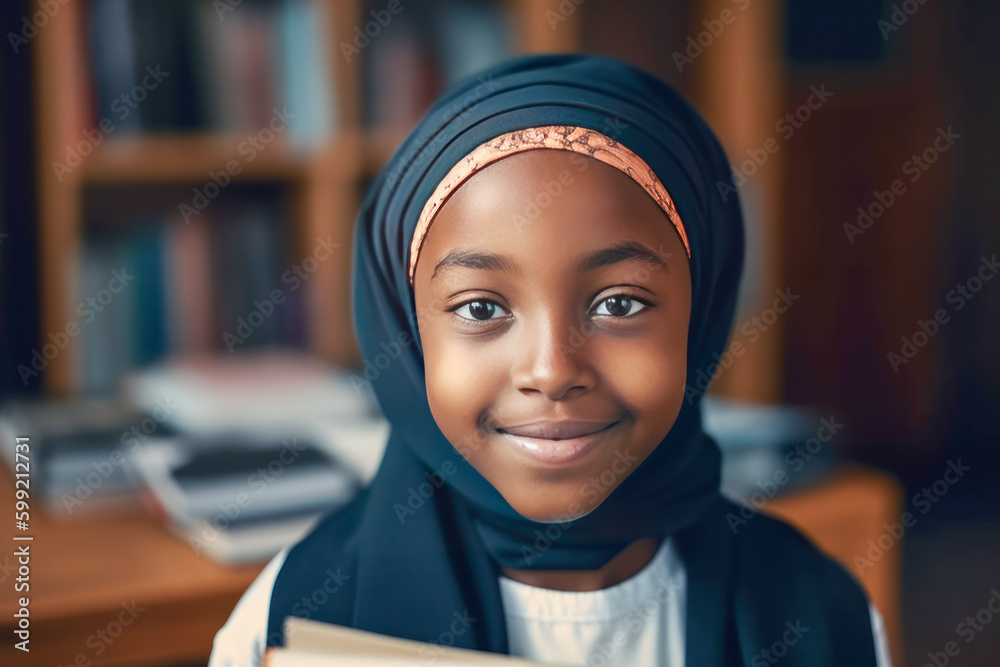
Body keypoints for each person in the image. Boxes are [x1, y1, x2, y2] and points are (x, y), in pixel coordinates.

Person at [209, 54, 893, 667]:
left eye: (619, 303)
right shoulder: (289, 623)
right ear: (407, 332)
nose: (552, 371)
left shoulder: (821, 618)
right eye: (481, 308)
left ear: (703, 310)